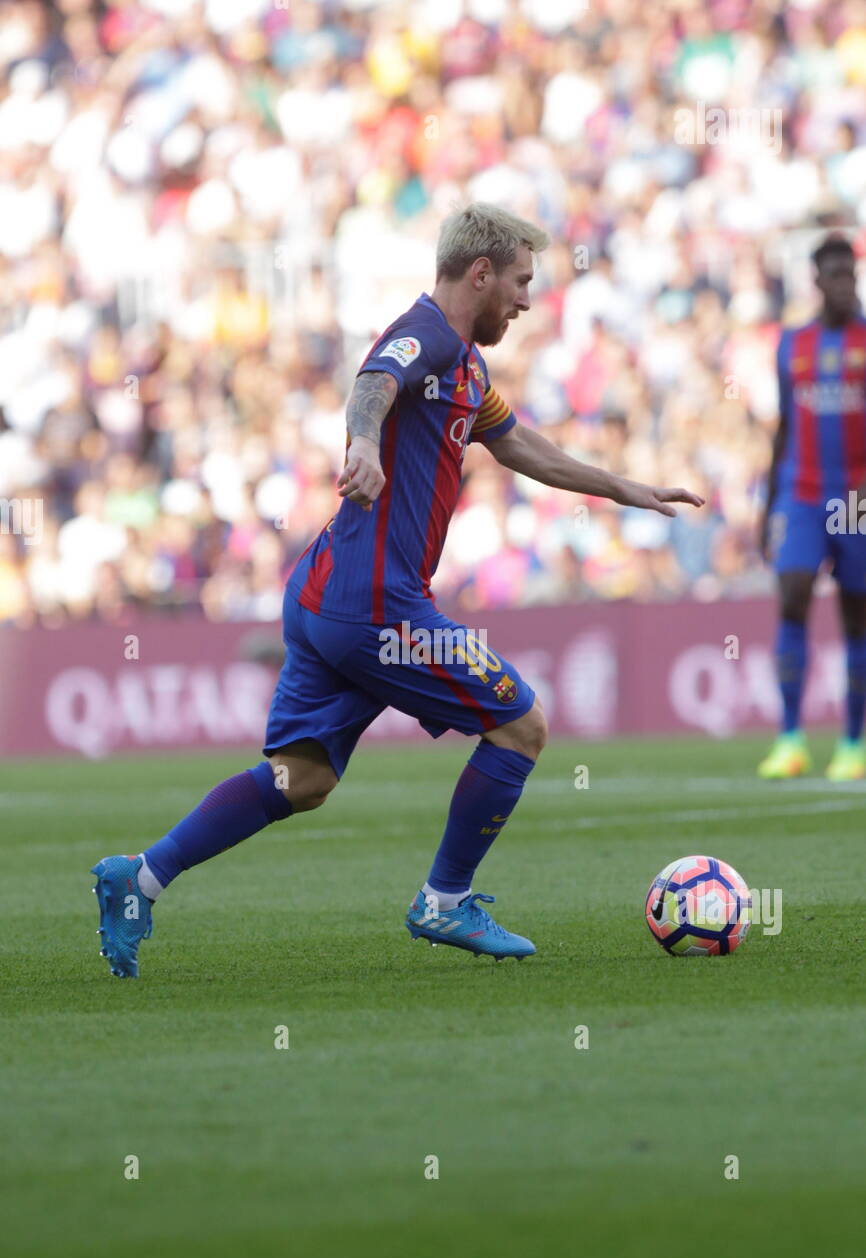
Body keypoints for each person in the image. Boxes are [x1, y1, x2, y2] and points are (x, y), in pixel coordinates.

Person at [91, 203, 703, 977]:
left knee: (303, 778)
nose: (523, 300)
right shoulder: (431, 335)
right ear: (479, 273)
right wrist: (362, 444)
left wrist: (624, 487)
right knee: (521, 726)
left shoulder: (468, 368)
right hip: (378, 609)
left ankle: (138, 878)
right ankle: (445, 901)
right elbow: (376, 378)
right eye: (518, 282)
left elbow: (519, 446)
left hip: (323, 598)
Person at [758, 234, 866, 780]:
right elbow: (782, 425)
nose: (846, 284)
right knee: (793, 595)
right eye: (836, 275)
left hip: (858, 498)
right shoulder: (792, 343)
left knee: (856, 613)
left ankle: (852, 743)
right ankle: (790, 738)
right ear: (817, 281)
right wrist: (766, 506)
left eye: (852, 274)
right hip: (801, 493)